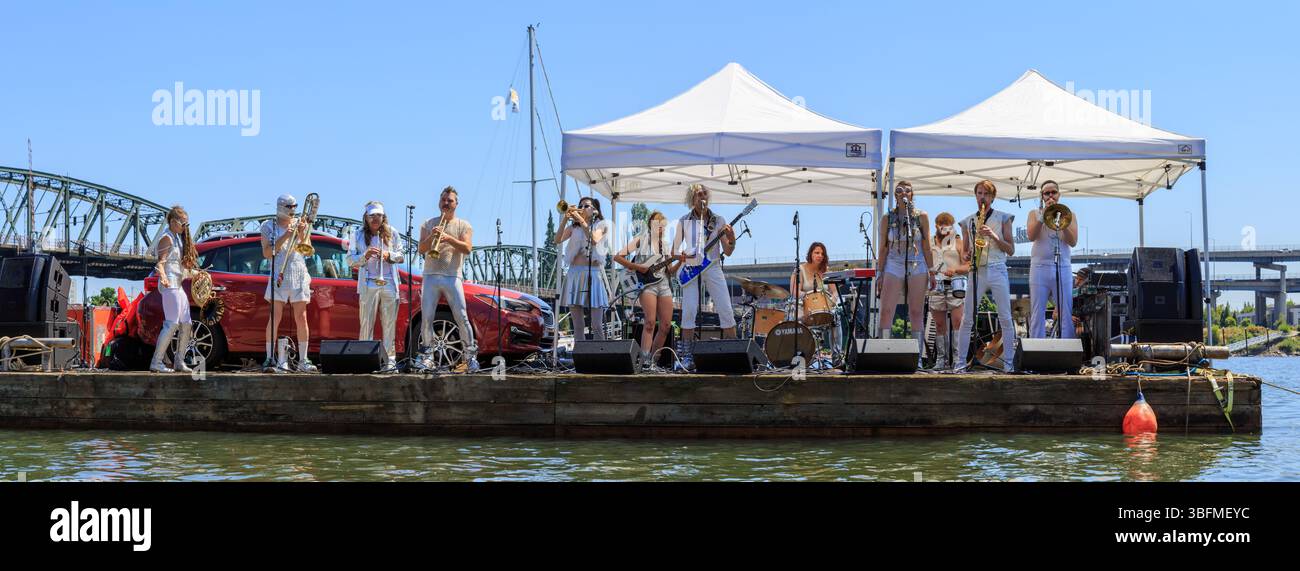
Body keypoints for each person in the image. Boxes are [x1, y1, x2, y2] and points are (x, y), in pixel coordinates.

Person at [954, 180, 1017, 373]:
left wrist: (994, 236)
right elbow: (964, 253)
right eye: (979, 193)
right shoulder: (968, 221)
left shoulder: (1004, 218)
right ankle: (960, 363)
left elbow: (1011, 250)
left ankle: (1009, 363)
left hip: (997, 267)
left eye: (986, 194)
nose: (982, 197)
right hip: (977, 270)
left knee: (1005, 317)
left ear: (992, 197)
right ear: (975, 195)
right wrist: (966, 255)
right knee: (967, 319)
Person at [671, 183, 738, 365]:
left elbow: (728, 250)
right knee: (689, 310)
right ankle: (686, 356)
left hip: (713, 265)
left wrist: (731, 238)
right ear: (692, 200)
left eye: (704, 194)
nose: (702, 198)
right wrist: (684, 256)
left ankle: (733, 352)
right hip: (691, 268)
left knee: (725, 308)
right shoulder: (684, 221)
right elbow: (673, 251)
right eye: (698, 195)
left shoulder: (718, 220)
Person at [613, 210, 683, 370]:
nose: (662, 229)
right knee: (650, 322)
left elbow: (670, 271)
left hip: (664, 285)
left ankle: (653, 360)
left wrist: (680, 262)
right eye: (659, 226)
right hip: (647, 285)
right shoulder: (640, 240)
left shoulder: (664, 245)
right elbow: (617, 257)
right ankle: (644, 361)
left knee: (665, 325)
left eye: (663, 227)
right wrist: (640, 267)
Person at [418, 186, 478, 373]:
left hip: (453, 276)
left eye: (450, 200)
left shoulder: (464, 225)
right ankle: (427, 356)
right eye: (443, 199)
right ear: (439, 202)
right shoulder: (428, 223)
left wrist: (448, 238)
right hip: (430, 276)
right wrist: (432, 237)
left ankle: (470, 357)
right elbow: (421, 249)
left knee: (462, 316)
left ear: (456, 204)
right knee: (427, 317)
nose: (446, 203)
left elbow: (467, 248)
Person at [875, 181, 935, 359]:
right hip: (894, 262)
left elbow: (926, 245)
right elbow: (883, 247)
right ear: (895, 195)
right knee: (886, 310)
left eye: (908, 191)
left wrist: (932, 271)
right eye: (900, 191)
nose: (904, 193)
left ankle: (917, 359)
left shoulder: (921, 216)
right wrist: (880, 273)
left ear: (912, 195)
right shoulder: (888, 218)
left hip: (917, 262)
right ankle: (883, 355)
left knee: (916, 311)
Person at [261, 194, 317, 373]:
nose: (293, 211)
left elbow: (307, 251)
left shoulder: (301, 224)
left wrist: (302, 234)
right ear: (281, 207)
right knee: (275, 316)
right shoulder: (268, 226)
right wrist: (286, 235)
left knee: (302, 317)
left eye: (295, 207)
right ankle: (270, 358)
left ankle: (303, 360)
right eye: (289, 207)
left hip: (298, 272)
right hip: (279, 272)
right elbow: (267, 253)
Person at [348, 201, 404, 371]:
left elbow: (401, 256)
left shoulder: (392, 233)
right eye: (372, 215)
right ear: (366, 217)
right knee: (366, 322)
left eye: (378, 215)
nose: (375, 219)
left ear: (383, 216)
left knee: (389, 324)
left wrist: (388, 255)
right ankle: (364, 359)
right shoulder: (356, 234)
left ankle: (390, 361)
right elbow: (350, 260)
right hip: (368, 283)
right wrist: (365, 256)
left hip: (389, 282)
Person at [148, 205, 199, 373]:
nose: (185, 226)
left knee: (187, 323)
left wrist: (195, 273)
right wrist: (162, 276)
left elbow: (178, 265)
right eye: (183, 223)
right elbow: (160, 262)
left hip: (177, 283)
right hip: (170, 284)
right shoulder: (167, 238)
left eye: (186, 223)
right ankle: (156, 362)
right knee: (171, 323)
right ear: (173, 221)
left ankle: (179, 361)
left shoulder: (177, 238)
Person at [1026, 180, 1079, 339]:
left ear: (1059, 194)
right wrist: (1043, 217)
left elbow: (1073, 241)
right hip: (1039, 267)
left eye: (1053, 192)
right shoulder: (1034, 214)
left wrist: (1063, 221)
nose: (1050, 196)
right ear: (1042, 196)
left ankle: (1067, 352)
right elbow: (1031, 236)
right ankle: (1037, 351)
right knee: (1037, 312)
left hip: (1062, 266)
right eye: (1046, 193)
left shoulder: (1069, 215)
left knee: (1065, 311)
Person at [556, 196, 612, 341]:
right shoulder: (574, 227)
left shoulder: (602, 225)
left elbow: (593, 239)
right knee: (578, 325)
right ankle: (579, 358)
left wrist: (581, 221)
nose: (581, 208)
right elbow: (557, 240)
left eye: (586, 206)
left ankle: (600, 356)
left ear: (595, 210)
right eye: (580, 205)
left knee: (596, 324)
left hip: (593, 274)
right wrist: (565, 218)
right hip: (574, 274)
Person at [928, 212, 969, 370]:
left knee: (958, 322)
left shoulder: (958, 242)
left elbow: (968, 265)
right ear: (936, 225)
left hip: (955, 284)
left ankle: (958, 360)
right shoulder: (929, 242)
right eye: (941, 224)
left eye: (948, 224)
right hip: (936, 285)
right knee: (939, 324)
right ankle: (941, 360)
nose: (944, 227)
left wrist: (956, 269)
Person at [789, 241, 842, 356]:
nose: (820, 256)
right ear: (810, 254)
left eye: (822, 254)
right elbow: (794, 291)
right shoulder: (800, 269)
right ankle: (800, 356)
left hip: (824, 308)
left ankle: (837, 356)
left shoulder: (826, 271)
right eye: (817, 253)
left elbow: (835, 291)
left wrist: (832, 301)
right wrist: (809, 296)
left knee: (836, 318)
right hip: (804, 307)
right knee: (796, 317)